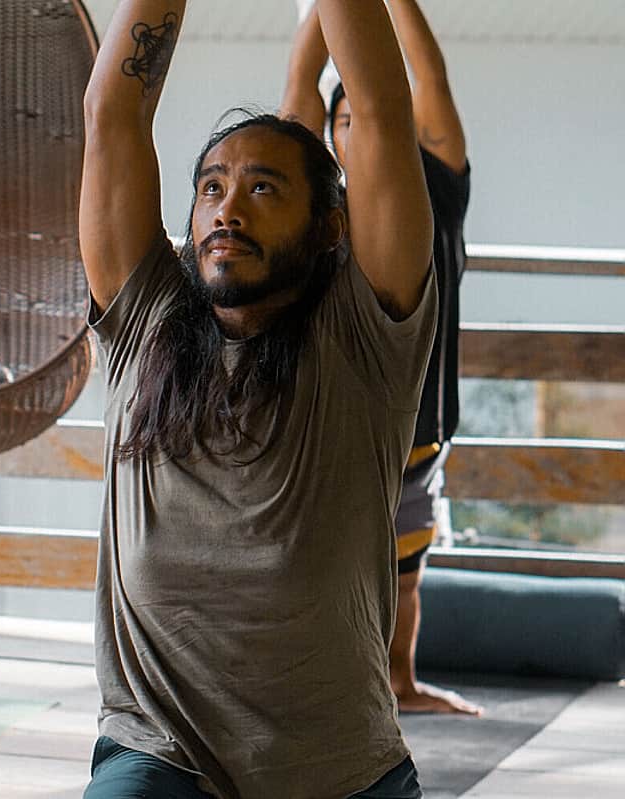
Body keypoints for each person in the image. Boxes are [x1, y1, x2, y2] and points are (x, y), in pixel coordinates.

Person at [78, 0, 437, 796]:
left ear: (331, 227)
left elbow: (379, 109)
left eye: (264, 187)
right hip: (158, 750)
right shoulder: (145, 323)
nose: (227, 210)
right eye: (211, 187)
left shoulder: (364, 338)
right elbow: (112, 113)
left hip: (340, 772)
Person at [282, 0, 481, 716]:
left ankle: (400, 683)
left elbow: (426, 82)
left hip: (420, 422)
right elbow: (300, 91)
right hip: (331, 421)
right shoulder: (315, 201)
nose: (356, 127)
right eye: (345, 121)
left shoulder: (435, 185)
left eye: (370, 118)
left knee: (405, 569)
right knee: (316, 565)